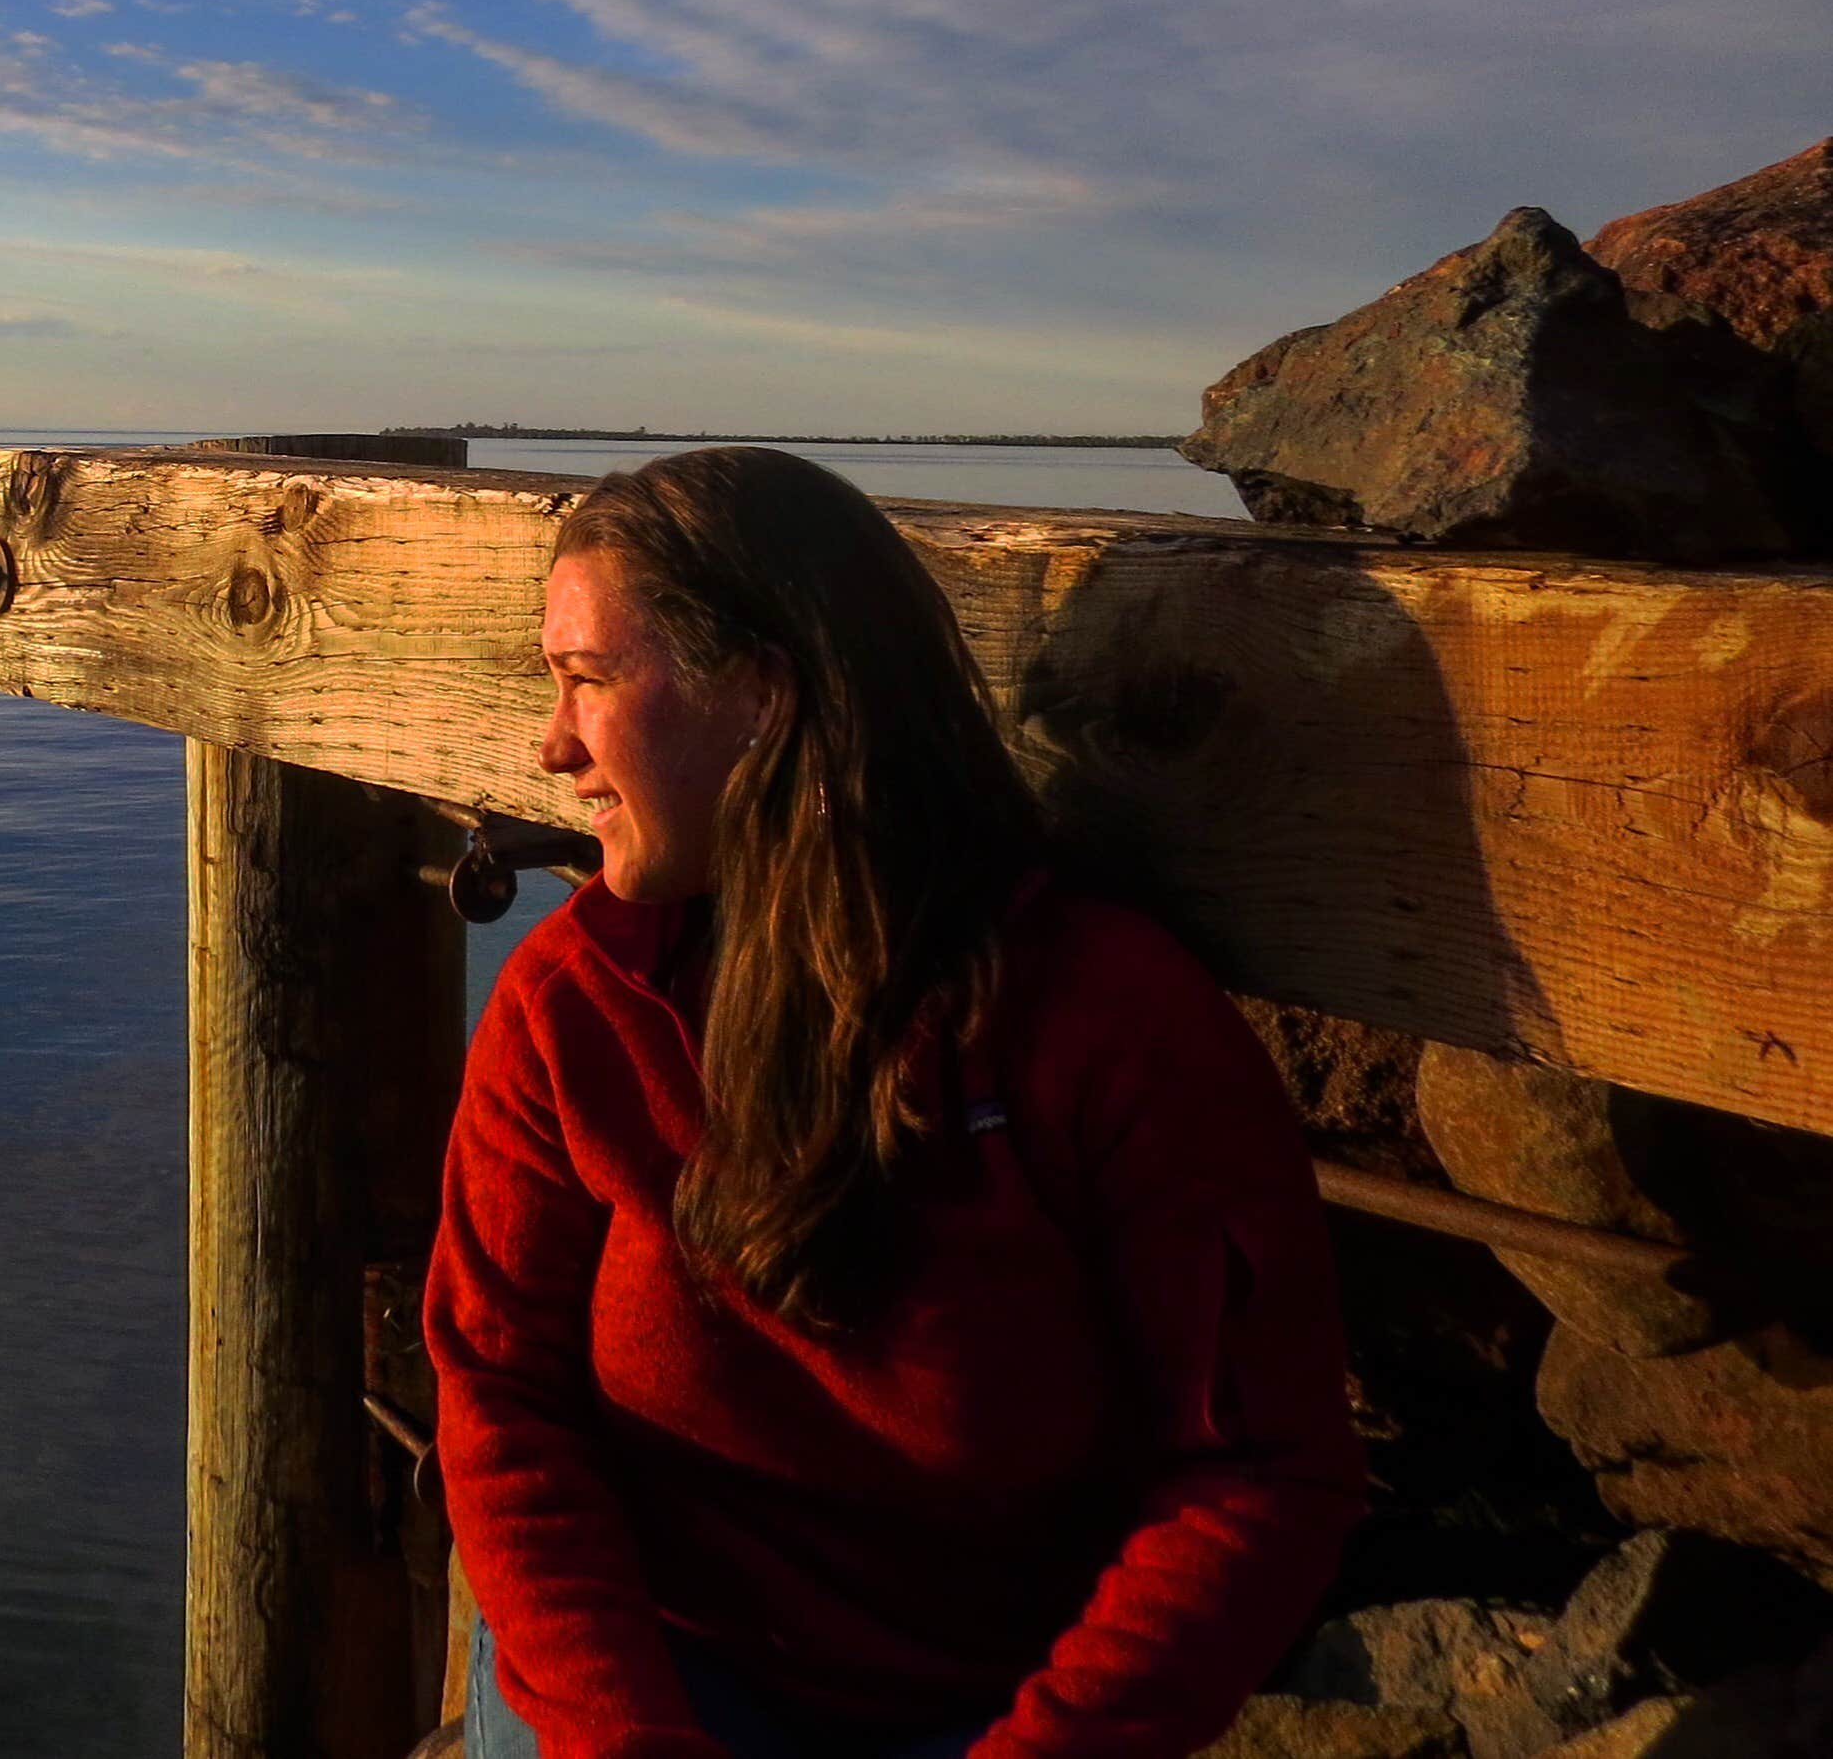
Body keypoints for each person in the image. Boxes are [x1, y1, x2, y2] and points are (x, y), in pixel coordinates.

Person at [422, 448, 1368, 1759]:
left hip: (998, 1709)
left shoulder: (1102, 1021)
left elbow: (1258, 1467)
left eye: (587, 677)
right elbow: (500, 1399)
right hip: (655, 1675)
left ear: (762, 692)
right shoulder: (573, 1008)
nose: (553, 745)